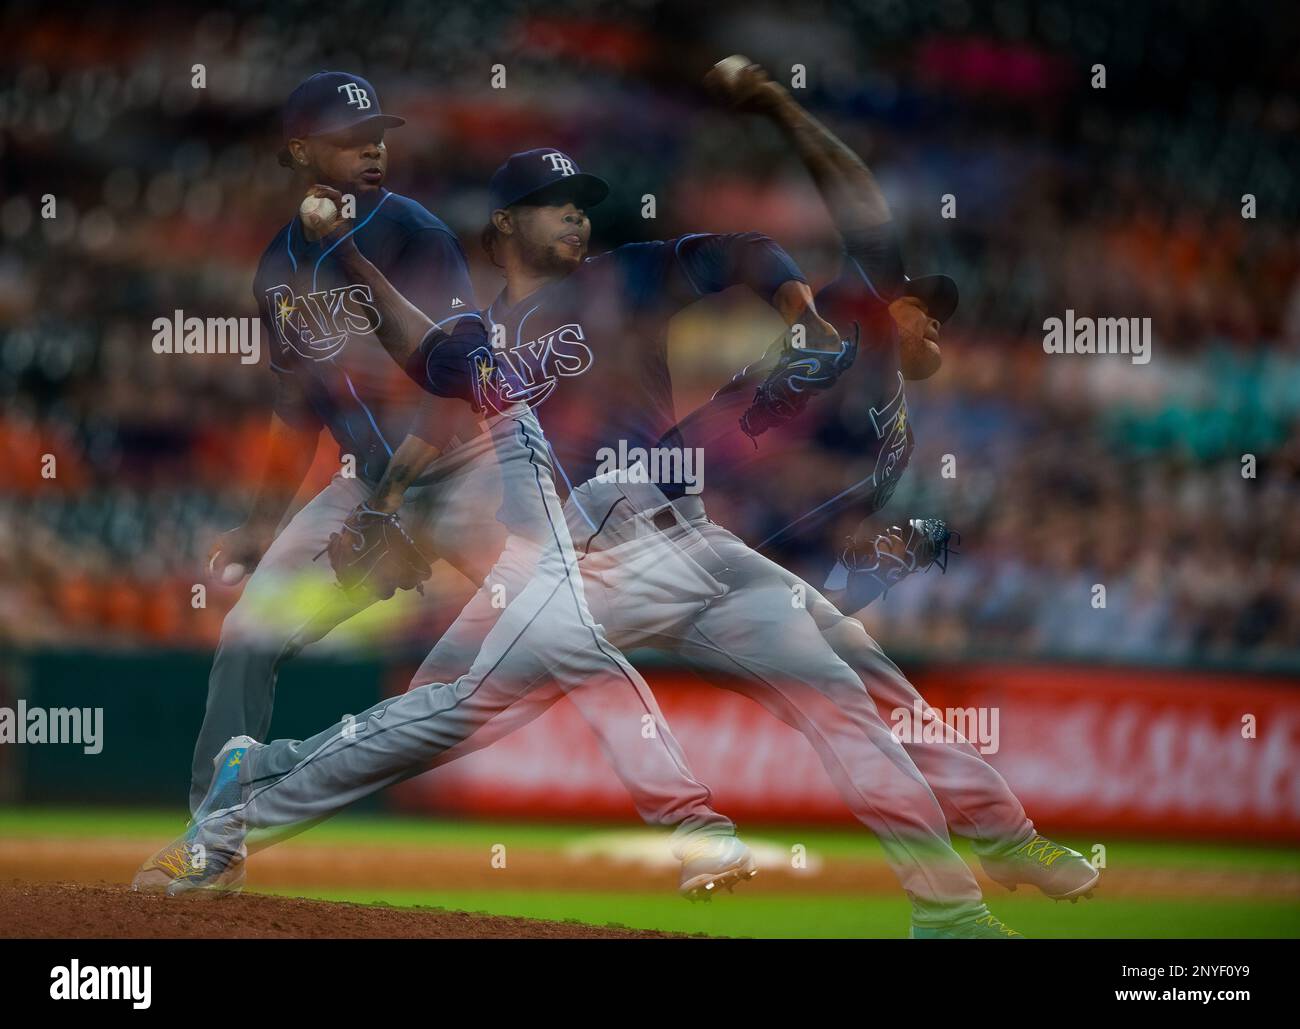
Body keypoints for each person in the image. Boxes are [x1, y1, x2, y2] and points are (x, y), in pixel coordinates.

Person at [159, 71, 757, 898]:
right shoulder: (275, 271)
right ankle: (211, 838)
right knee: (248, 635)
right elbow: (297, 402)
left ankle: (694, 829)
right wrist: (266, 524)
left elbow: (459, 369)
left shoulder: (416, 231)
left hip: (480, 466)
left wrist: (395, 496)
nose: (371, 146)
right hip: (368, 482)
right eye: (348, 136)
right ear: (299, 151)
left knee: (566, 640)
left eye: (378, 133)